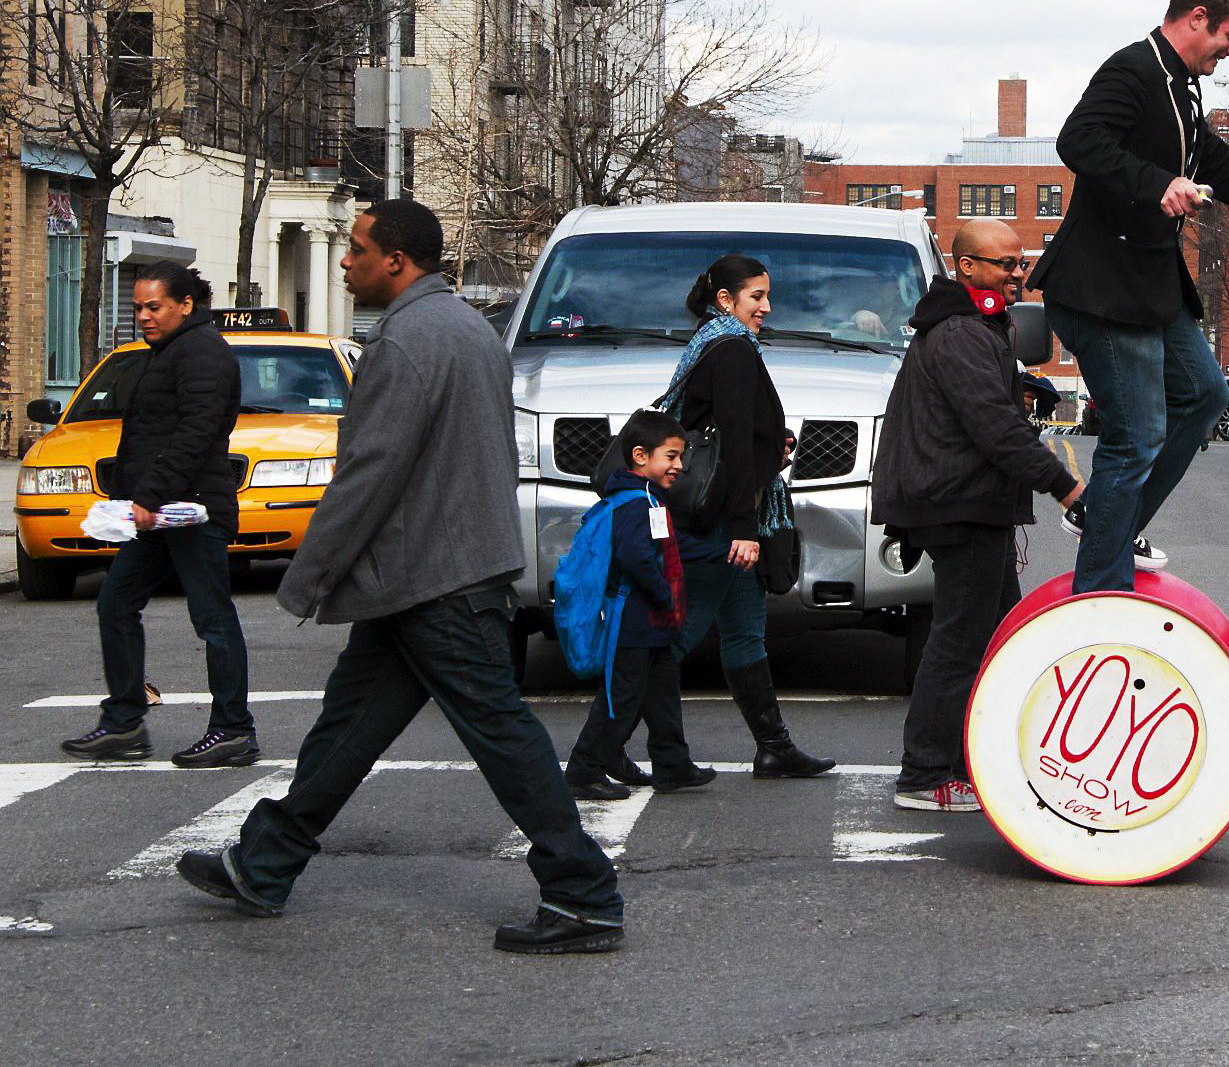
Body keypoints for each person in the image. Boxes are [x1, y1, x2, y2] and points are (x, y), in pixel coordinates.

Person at [175, 200, 625, 956]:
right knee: (348, 724)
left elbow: (367, 474)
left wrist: (306, 577)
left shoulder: (406, 340)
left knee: (504, 736)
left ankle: (584, 892)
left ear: (397, 261)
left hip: (436, 578)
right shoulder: (469, 330)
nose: (346, 262)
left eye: (356, 250)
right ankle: (265, 862)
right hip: (434, 570)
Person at [1027, 0, 1229, 593]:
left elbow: (1214, 162)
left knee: (1205, 393)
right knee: (1137, 436)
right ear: (1197, 18)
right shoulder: (1134, 70)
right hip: (1105, 291)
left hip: (1147, 288)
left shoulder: (1181, 90)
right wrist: (1157, 183)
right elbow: (1078, 140)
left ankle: (1110, 524)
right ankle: (1100, 587)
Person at [875, 220, 1086, 812]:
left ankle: (974, 760)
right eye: (1003, 265)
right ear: (966, 267)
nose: (1016, 274)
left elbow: (987, 411)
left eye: (1020, 264)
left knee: (997, 637)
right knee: (962, 641)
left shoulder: (977, 328)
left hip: (969, 500)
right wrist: (1065, 487)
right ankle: (923, 774)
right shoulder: (962, 332)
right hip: (957, 502)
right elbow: (993, 427)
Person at [60, 263, 258, 768]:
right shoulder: (168, 352)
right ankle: (124, 723)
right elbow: (152, 433)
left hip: (191, 510)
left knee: (212, 618)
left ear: (185, 305)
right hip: (160, 510)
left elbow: (196, 432)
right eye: (138, 309)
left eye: (154, 307)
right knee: (115, 603)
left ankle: (233, 730)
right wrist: (134, 498)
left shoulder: (203, 354)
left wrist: (148, 495)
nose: (144, 317)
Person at [664, 254, 834, 779]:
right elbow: (733, 443)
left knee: (744, 629)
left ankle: (773, 746)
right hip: (724, 521)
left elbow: (733, 434)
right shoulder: (733, 351)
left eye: (766, 295)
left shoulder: (713, 347)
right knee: (679, 636)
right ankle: (600, 750)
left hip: (728, 510)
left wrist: (770, 449)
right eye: (756, 296)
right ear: (726, 300)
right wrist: (743, 529)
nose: (766, 306)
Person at [561, 413, 716, 801]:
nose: (679, 466)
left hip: (651, 619)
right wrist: (663, 595)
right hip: (635, 617)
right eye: (671, 456)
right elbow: (636, 557)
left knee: (662, 692)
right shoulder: (635, 503)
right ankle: (584, 770)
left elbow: (667, 546)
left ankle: (673, 765)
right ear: (640, 456)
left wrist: (721, 551)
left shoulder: (646, 498)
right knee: (622, 695)